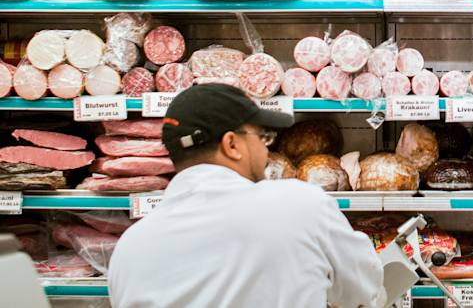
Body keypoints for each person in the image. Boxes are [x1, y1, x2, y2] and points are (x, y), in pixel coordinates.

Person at [109, 84, 385, 308]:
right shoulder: (299, 205)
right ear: (232, 144)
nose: (267, 150)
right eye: (262, 137)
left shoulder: (129, 247)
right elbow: (363, 289)